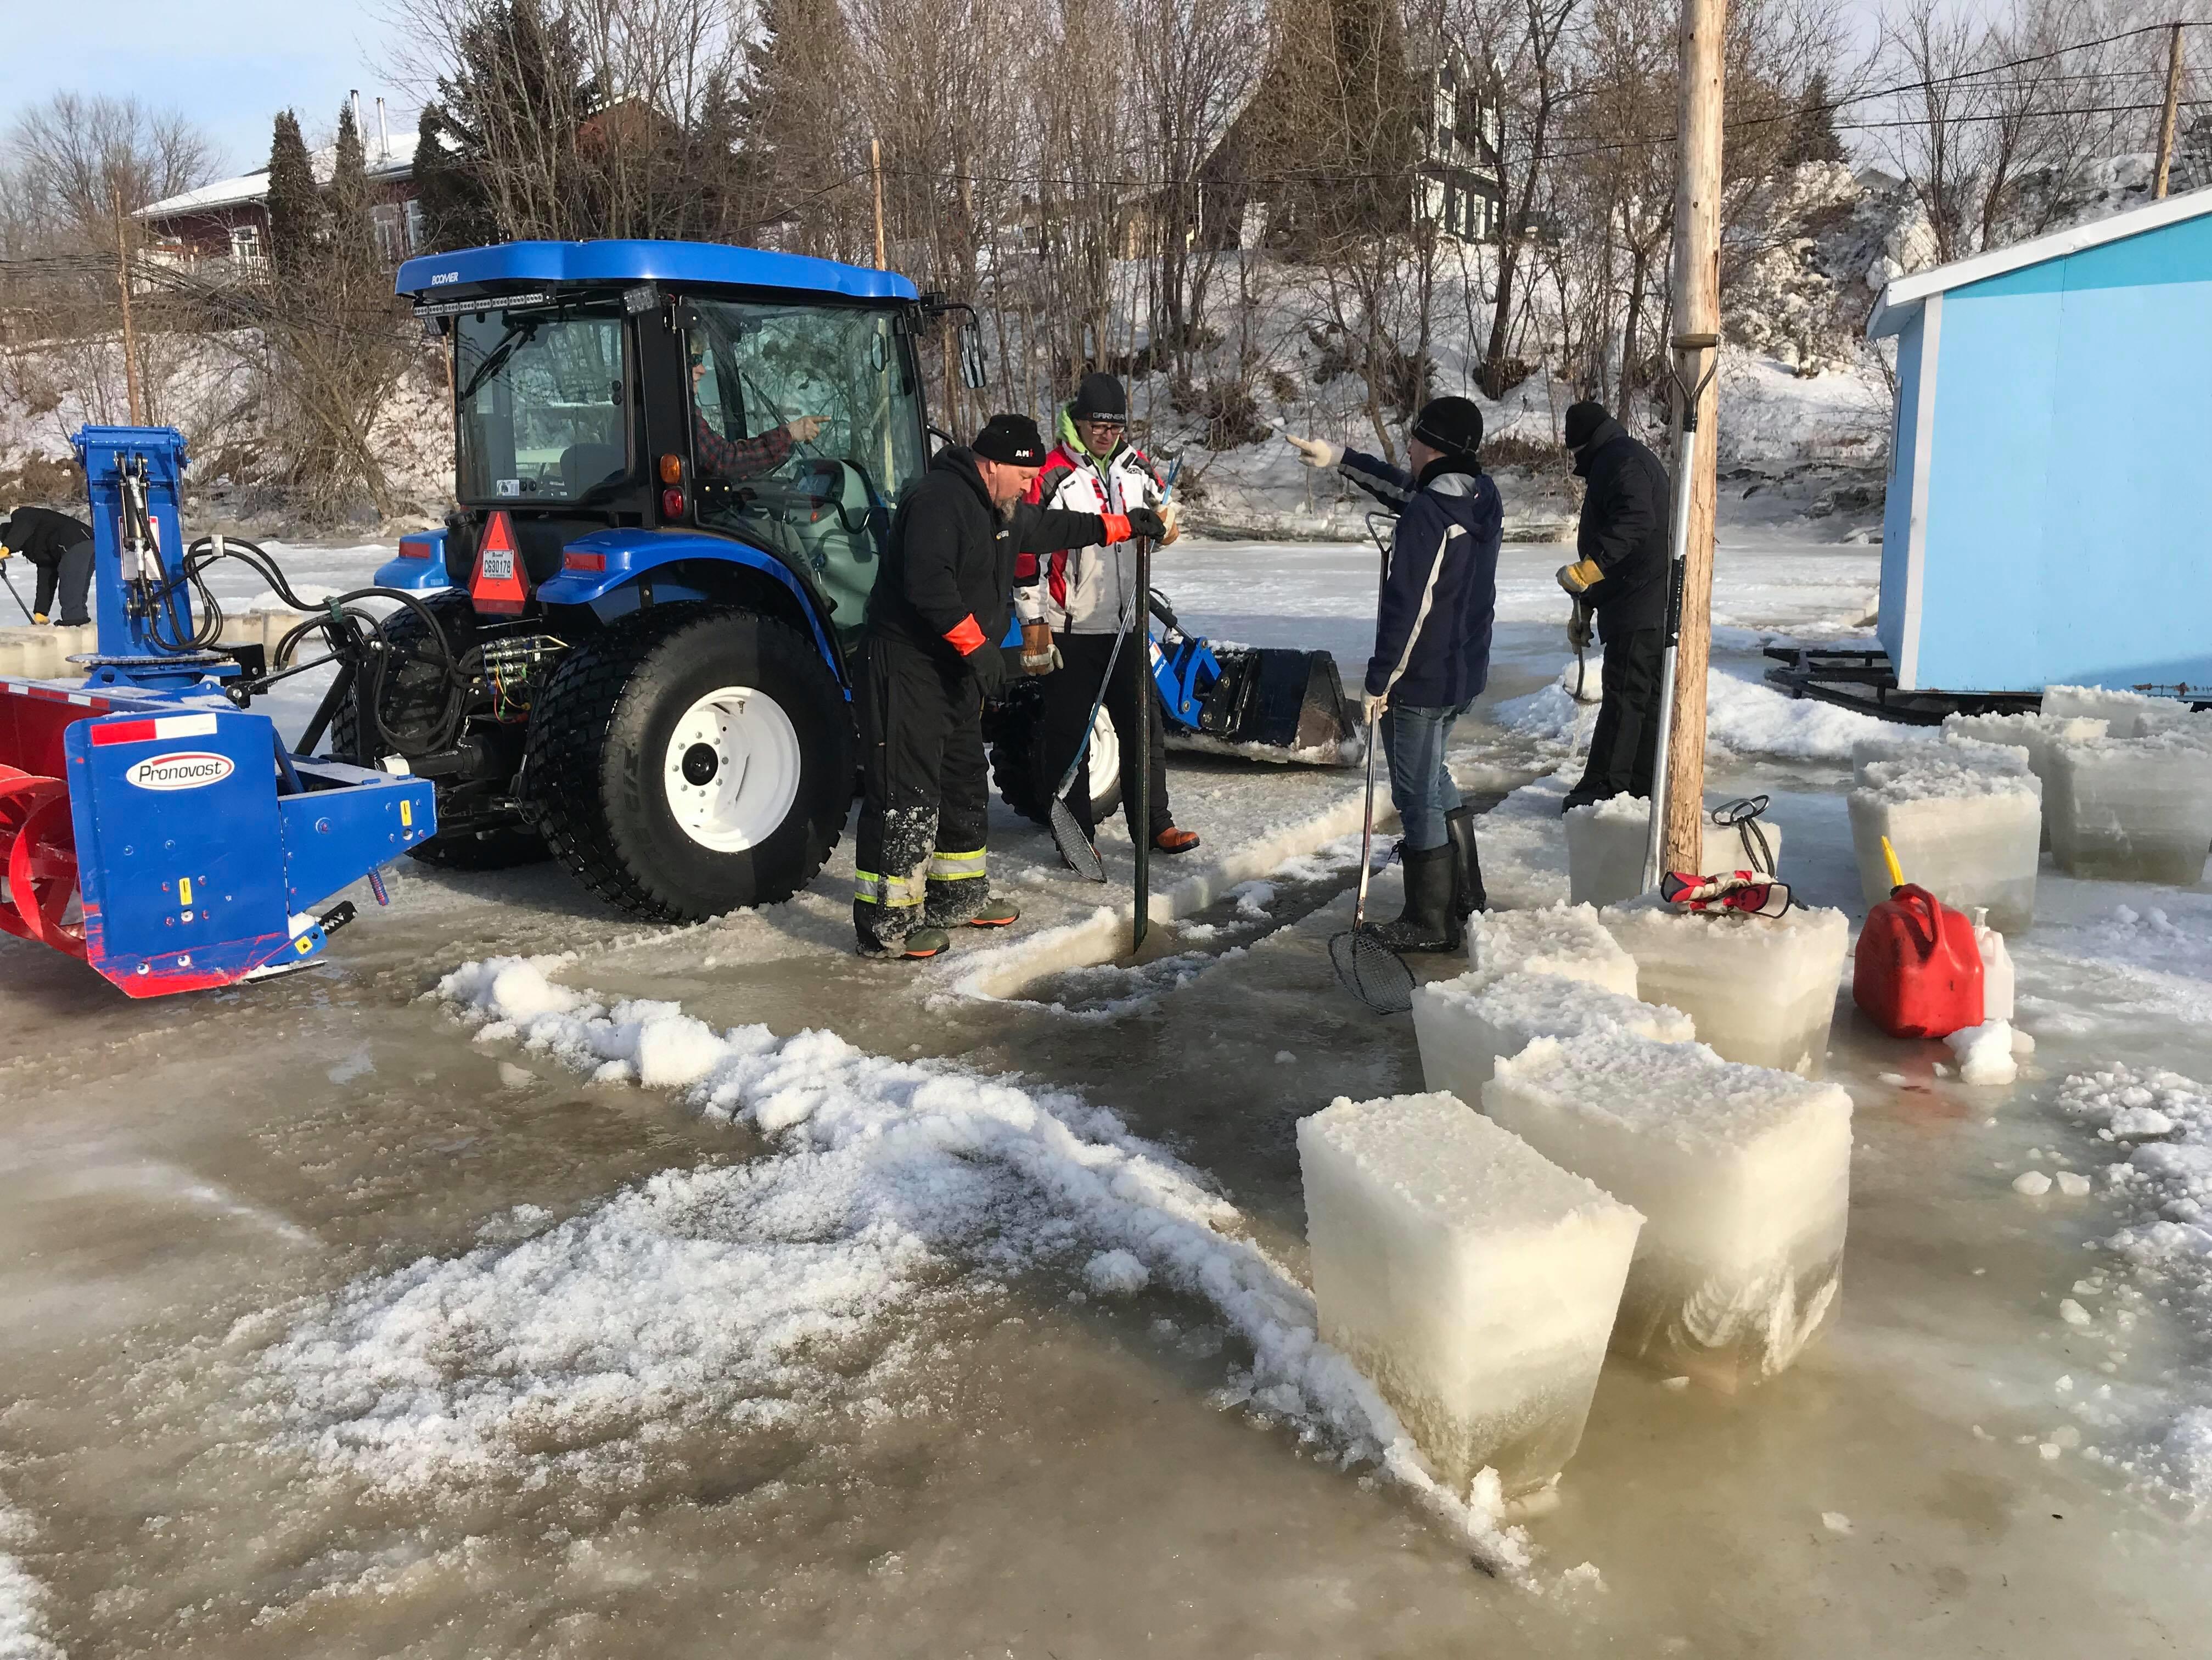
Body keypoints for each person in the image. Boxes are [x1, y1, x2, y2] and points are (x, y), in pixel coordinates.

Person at [854, 413, 1170, 960]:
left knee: (963, 779)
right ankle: (889, 925)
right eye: (1024, 476)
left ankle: (957, 896)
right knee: (907, 790)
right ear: (992, 465)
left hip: (954, 666)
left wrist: (1123, 525)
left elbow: (1056, 528)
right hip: (908, 665)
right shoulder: (939, 500)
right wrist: (979, 649)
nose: (1030, 486)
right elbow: (928, 587)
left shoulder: (1001, 508)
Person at [1285, 396, 1501, 951]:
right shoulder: (1479, 496)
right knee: (1433, 776)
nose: (1408, 446)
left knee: (1415, 794)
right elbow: (1405, 490)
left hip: (1423, 678)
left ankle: (1430, 922)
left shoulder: (1430, 515)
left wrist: (1381, 681)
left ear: (1435, 446)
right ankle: (1465, 894)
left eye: (1415, 438)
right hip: (1462, 670)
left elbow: (1411, 609)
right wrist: (1339, 458)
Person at [1017, 371, 1200, 861]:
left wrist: (1167, 527)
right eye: (1097, 425)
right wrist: (1034, 623)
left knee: (1144, 727)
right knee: (1069, 735)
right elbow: (1026, 553)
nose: (1106, 434)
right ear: (1078, 421)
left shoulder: (1135, 469)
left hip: (1127, 624)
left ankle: (1155, 825)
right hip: (1069, 627)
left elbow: (1164, 516)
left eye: (1115, 426)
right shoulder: (1051, 474)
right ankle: (1077, 837)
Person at [1554, 400, 1671, 815]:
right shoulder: (1624, 456)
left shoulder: (1620, 461)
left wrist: (1589, 569)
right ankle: (1640, 785)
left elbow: (1636, 521)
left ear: (1583, 445)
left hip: (1640, 601)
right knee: (1643, 696)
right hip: (1641, 599)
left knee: (1627, 695)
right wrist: (1586, 605)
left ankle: (1606, 787)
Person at [688, 344, 824, 478]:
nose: (702, 370)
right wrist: (789, 434)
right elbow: (724, 460)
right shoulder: (683, 418)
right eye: (695, 361)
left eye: (701, 360)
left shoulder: (685, 410)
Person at [0, 506, 95, 627]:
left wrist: (8, 548)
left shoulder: (22, 515)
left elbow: (24, 525)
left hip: (74, 541)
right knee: (78, 593)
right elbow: (46, 579)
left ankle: (74, 627)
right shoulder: (40, 548)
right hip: (88, 544)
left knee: (70, 593)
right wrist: (41, 612)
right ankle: (82, 627)